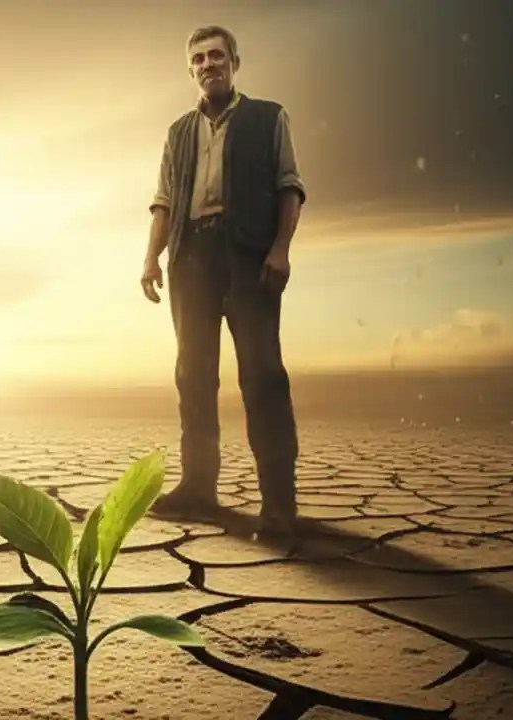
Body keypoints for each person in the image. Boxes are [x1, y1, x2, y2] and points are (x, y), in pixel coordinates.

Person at [143, 25, 305, 535]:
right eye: (199, 58)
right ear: (190, 69)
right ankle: (199, 487)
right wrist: (151, 258)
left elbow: (290, 187)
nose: (208, 64)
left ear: (235, 61)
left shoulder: (268, 117)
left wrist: (280, 248)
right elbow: (165, 201)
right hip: (192, 258)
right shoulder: (178, 132)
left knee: (262, 377)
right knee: (193, 376)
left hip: (248, 255)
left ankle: (279, 503)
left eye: (217, 55)